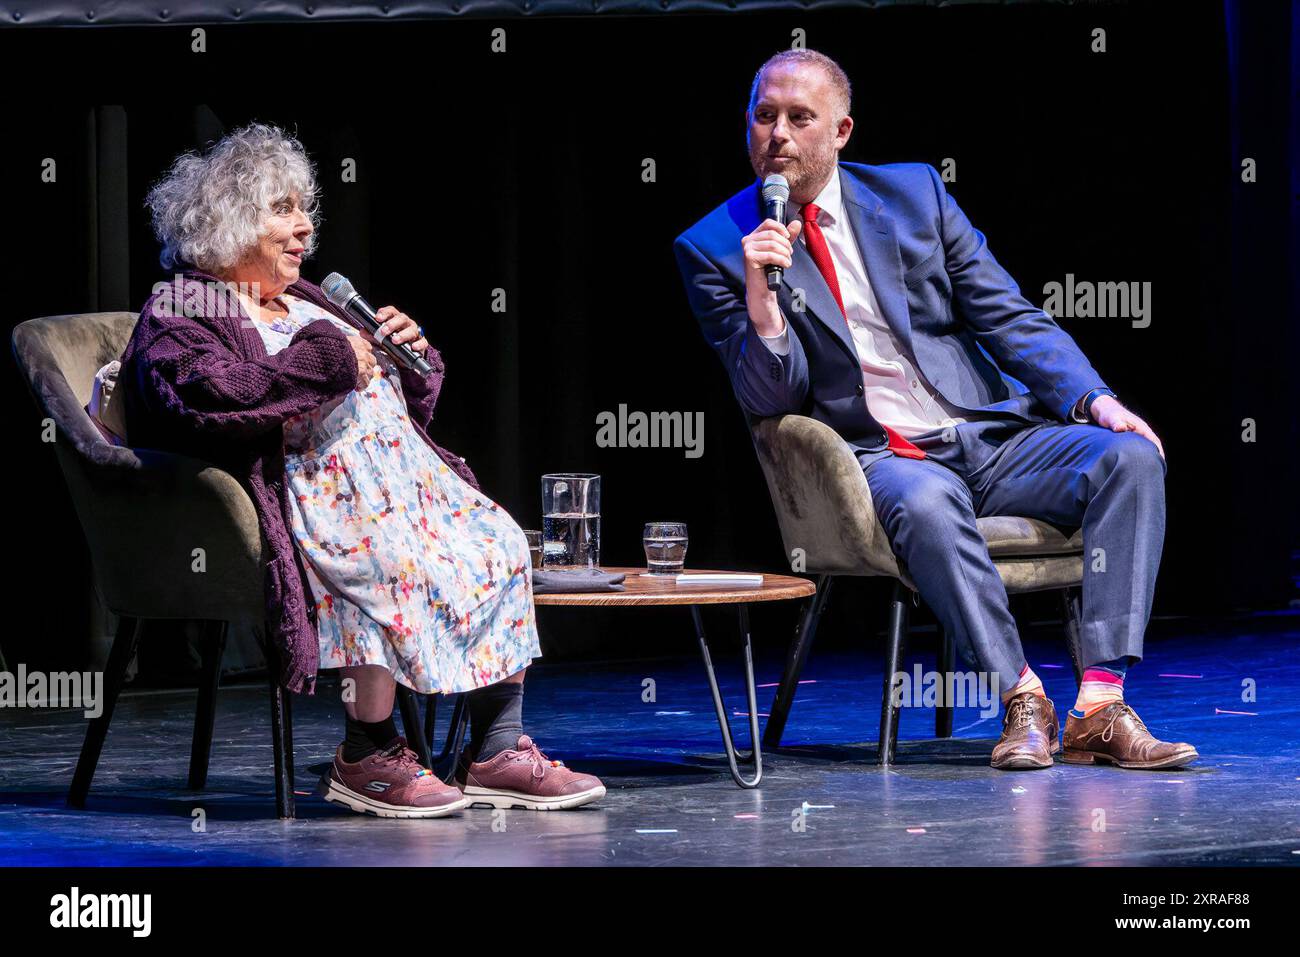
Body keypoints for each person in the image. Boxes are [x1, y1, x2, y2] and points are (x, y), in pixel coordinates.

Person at [674, 50, 1197, 771]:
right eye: (765, 117)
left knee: (1130, 458)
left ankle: (1099, 704)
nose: (780, 135)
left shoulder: (915, 194)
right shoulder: (711, 246)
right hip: (876, 459)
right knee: (925, 501)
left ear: (842, 130)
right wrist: (762, 297)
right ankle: (1023, 699)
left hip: (983, 435)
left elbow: (1006, 314)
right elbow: (769, 402)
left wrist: (1095, 399)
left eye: (800, 118)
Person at [119, 123, 605, 814]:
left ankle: (495, 748)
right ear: (227, 221)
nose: (303, 228)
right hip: (309, 494)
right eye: (281, 209)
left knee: (499, 542)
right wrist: (335, 357)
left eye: (303, 208)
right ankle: (367, 752)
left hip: (403, 482)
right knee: (377, 555)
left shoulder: (313, 300)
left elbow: (398, 403)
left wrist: (414, 358)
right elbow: (207, 395)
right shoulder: (182, 308)